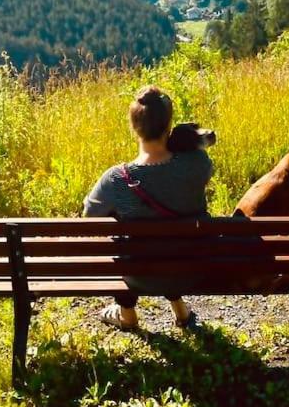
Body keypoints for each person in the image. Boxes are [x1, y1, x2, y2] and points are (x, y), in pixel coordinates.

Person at [83, 85, 212, 330]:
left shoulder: (115, 179)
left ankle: (127, 315)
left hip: (139, 276)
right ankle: (181, 311)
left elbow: (90, 215)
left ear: (134, 128)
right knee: (169, 235)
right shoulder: (197, 163)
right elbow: (198, 170)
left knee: (121, 230)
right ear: (169, 126)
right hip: (191, 268)